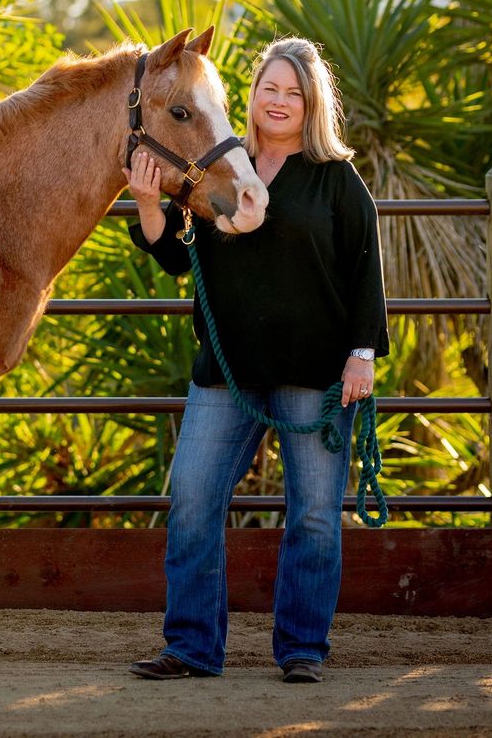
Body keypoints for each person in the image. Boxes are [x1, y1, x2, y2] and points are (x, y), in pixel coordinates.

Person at [122, 37, 389, 684]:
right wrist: (150, 202)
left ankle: (301, 649)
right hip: (226, 368)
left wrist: (360, 357)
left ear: (310, 104)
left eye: (292, 92)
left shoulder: (335, 179)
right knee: (190, 498)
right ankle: (190, 646)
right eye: (268, 88)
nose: (278, 100)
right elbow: (177, 257)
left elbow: (363, 271)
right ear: (251, 95)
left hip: (315, 371)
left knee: (316, 515)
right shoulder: (221, 166)